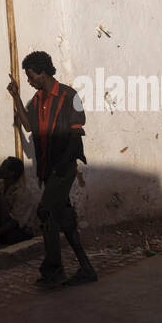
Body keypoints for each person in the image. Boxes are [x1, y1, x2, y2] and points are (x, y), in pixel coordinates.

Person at [7, 51, 97, 288]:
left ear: (43, 73)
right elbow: (28, 126)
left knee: (46, 213)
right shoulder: (36, 101)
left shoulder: (70, 96)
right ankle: (86, 268)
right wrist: (16, 97)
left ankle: (53, 271)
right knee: (64, 220)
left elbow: (76, 137)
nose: (29, 81)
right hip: (48, 170)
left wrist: (59, 168)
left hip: (63, 168)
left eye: (30, 76)